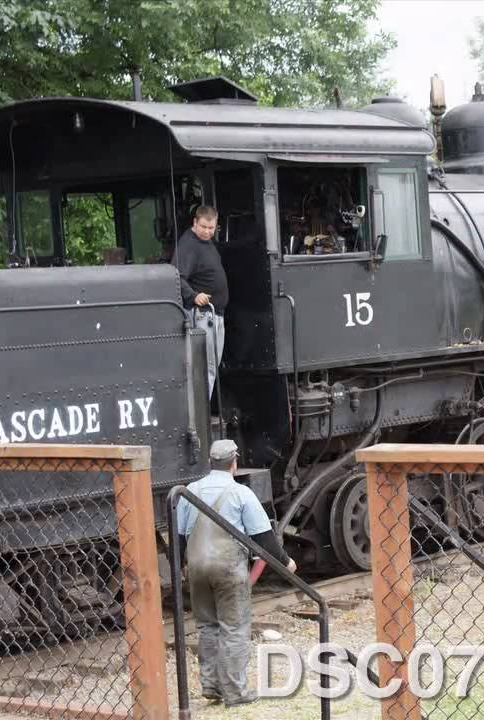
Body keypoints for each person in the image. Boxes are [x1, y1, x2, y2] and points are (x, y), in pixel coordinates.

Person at [176, 439, 296, 705]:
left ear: (211, 462)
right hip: (228, 568)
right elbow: (264, 537)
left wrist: (182, 565)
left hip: (196, 567)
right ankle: (236, 693)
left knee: (207, 626)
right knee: (234, 627)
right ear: (234, 462)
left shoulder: (189, 491)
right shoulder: (241, 493)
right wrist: (286, 561)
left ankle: (211, 686)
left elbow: (181, 536)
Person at [172, 206, 228, 400]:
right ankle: (200, 421)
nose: (207, 232)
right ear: (195, 223)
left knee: (212, 366)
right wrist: (194, 295)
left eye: (211, 228)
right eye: (204, 227)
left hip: (215, 314)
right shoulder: (188, 244)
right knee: (206, 368)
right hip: (202, 315)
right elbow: (176, 277)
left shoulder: (207, 243)